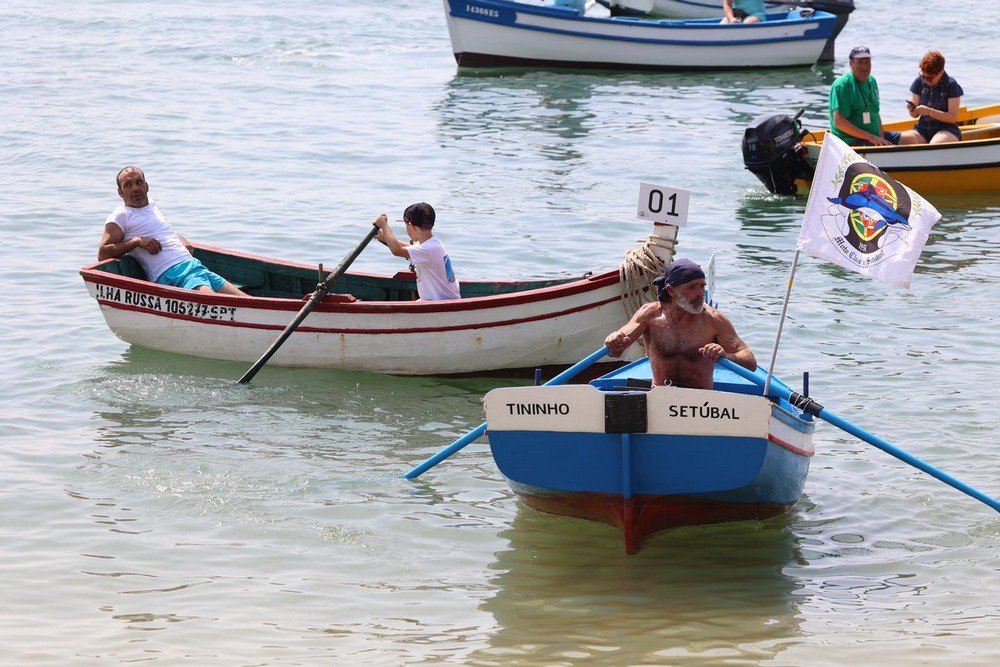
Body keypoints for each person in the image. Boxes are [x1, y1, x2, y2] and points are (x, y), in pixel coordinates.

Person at [604, 258, 756, 390]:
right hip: (659, 395)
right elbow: (615, 351)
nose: (700, 293)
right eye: (692, 287)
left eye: (702, 286)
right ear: (671, 290)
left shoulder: (714, 320)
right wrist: (613, 340)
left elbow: (750, 361)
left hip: (701, 402)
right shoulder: (649, 315)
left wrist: (726, 356)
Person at [99, 166, 246, 295]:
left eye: (139, 182)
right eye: (128, 185)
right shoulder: (121, 215)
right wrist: (136, 242)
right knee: (214, 302)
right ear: (120, 192)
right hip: (172, 274)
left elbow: (162, 232)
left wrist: (180, 238)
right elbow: (103, 253)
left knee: (247, 301)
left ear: (146, 186)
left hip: (194, 266)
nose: (135, 188)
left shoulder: (152, 206)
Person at [373, 202, 460, 301]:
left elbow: (397, 250)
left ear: (411, 226)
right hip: (439, 301)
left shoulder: (429, 249)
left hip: (442, 303)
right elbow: (408, 247)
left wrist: (384, 226)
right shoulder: (432, 243)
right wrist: (384, 238)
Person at [829, 46, 901, 147]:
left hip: (873, 136)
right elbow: (839, 122)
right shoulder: (843, 85)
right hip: (850, 141)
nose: (864, 66)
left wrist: (881, 138)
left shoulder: (872, 81)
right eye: (860, 63)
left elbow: (875, 113)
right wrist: (871, 138)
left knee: (912, 138)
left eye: (867, 62)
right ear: (851, 64)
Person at [898, 51, 963, 145]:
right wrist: (912, 110)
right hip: (922, 129)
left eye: (930, 78)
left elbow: (952, 118)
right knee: (903, 139)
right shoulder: (918, 82)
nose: (926, 81)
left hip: (946, 129)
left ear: (941, 72)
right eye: (923, 76)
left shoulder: (951, 85)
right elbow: (914, 115)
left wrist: (929, 112)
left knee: (935, 144)